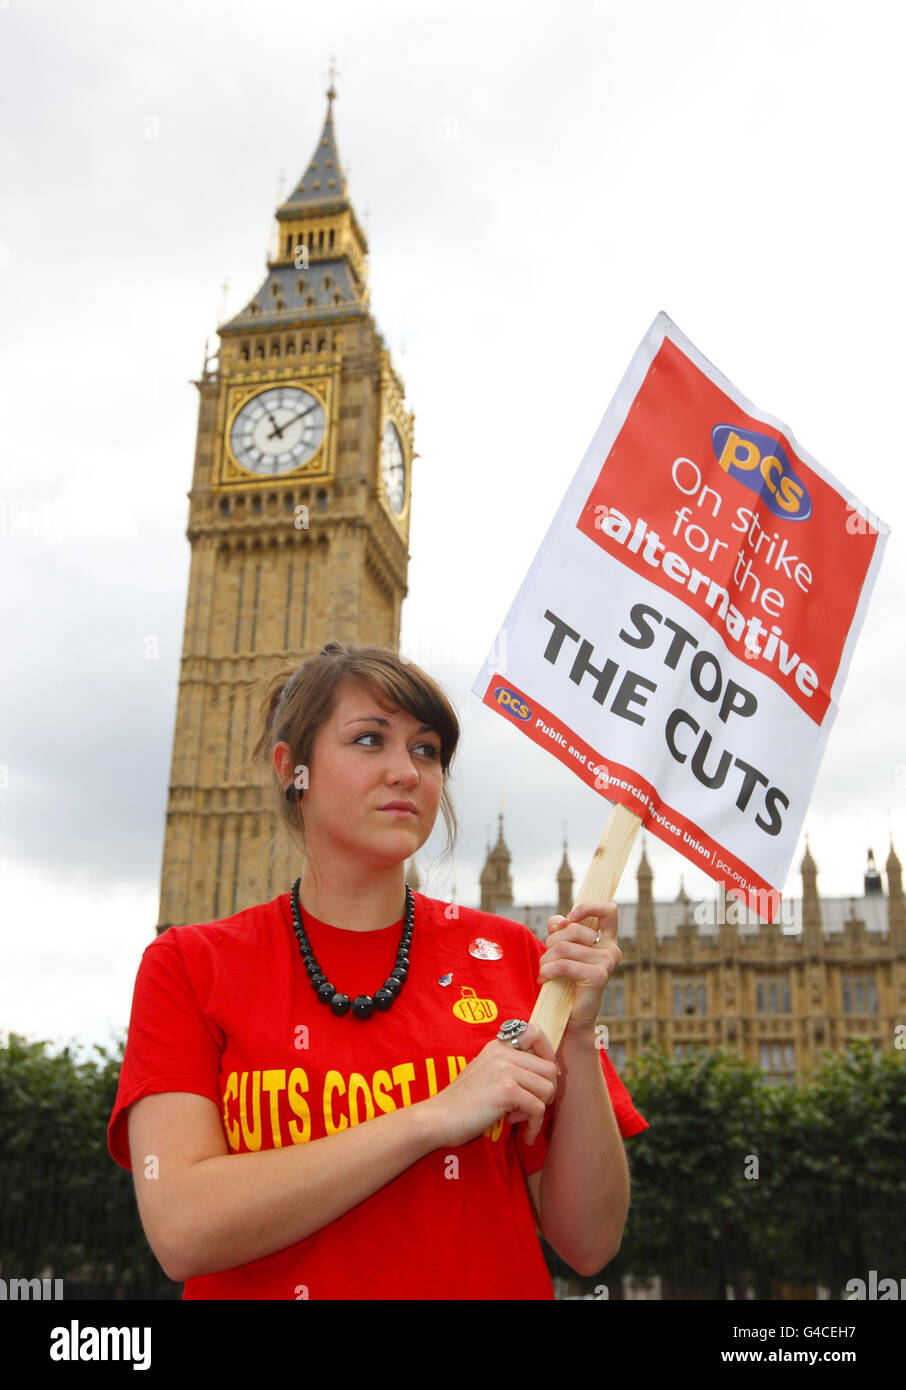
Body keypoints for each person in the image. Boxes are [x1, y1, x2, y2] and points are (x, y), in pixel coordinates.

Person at [107, 641, 648, 1299]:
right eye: (370, 740)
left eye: (426, 750)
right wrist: (432, 1118)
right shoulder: (191, 966)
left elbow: (590, 1244)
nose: (407, 771)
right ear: (292, 770)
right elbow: (183, 1228)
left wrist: (578, 1041)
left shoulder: (512, 955)